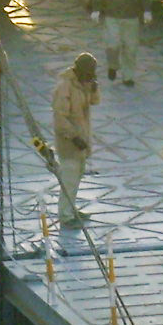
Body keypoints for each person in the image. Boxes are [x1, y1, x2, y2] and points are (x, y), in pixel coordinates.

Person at [51, 52, 100, 227]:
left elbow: (94, 102)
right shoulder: (65, 87)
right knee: (69, 178)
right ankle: (65, 215)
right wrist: (73, 136)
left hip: (82, 138)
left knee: (77, 176)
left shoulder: (82, 84)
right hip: (69, 141)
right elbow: (60, 117)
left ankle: (71, 208)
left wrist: (93, 89)